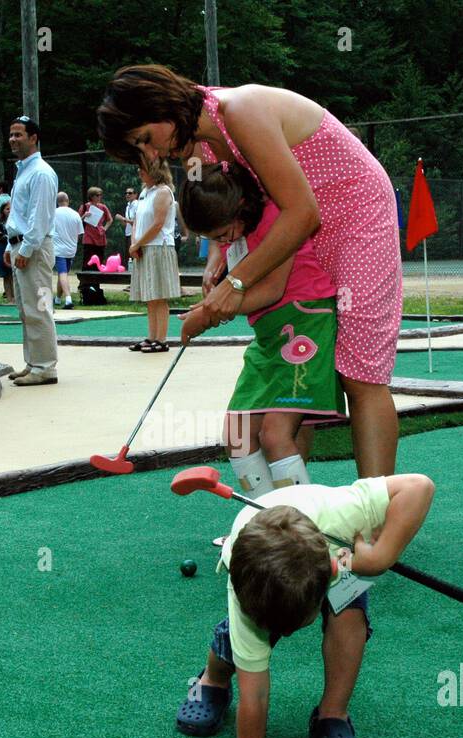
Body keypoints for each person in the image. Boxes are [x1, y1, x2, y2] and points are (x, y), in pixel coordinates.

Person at [98, 65, 402, 478]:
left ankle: (375, 515)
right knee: (292, 386)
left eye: (146, 140)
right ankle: (293, 517)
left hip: (354, 214)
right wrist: (218, 258)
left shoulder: (241, 111)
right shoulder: (195, 149)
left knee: (359, 373)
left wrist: (236, 283)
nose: (152, 155)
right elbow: (229, 209)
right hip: (299, 224)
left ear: (164, 107)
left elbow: (303, 213)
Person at [175, 472, 435, 738]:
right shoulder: (245, 579)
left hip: (340, 551)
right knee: (242, 639)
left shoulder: (347, 515)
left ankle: (333, 715)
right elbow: (254, 694)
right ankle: (212, 681)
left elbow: (419, 486)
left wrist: (380, 557)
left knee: (349, 615)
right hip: (262, 562)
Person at [181, 160, 345, 493]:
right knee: (236, 433)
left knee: (275, 433)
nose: (222, 240)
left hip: (304, 323)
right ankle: (265, 522)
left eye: (221, 233)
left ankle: (299, 527)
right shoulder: (233, 220)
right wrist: (216, 263)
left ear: (240, 206)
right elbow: (230, 251)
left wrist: (210, 312)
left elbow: (273, 289)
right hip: (270, 334)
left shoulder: (277, 216)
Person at [5, 115, 60, 387]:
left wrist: (25, 249)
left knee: (39, 307)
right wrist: (10, 246)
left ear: (34, 138)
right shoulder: (23, 171)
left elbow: (40, 216)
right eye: (11, 134)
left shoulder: (41, 172)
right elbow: (20, 213)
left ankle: (46, 366)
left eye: (19, 134)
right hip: (20, 246)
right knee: (26, 309)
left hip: (34, 249)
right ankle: (33, 362)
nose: (13, 139)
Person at [127, 160, 180, 353]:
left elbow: (158, 224)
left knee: (159, 295)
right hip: (144, 247)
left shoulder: (163, 192)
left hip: (159, 247)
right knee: (150, 295)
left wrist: (138, 243)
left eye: (144, 169)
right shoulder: (144, 193)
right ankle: (151, 337)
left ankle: (162, 339)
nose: (140, 172)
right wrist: (134, 244)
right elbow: (137, 222)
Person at [78, 186, 114, 298]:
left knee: (98, 264)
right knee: (87, 263)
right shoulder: (85, 207)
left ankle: (96, 286)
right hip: (88, 238)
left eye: (100, 195)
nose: (99, 197)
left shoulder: (103, 207)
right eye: (97, 195)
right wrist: (84, 215)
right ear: (91, 196)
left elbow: (110, 219)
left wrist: (105, 228)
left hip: (100, 237)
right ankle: (85, 287)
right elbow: (77, 220)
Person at [52, 191, 84, 308]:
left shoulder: (53, 213)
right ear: (68, 200)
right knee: (63, 274)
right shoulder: (75, 214)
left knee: (62, 273)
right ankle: (58, 299)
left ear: (57, 202)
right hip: (71, 250)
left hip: (58, 250)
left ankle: (68, 299)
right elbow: (80, 234)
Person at [116, 185, 139, 270]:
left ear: (135, 195)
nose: (127, 195)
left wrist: (122, 218)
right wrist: (122, 220)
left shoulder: (137, 205)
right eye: (126, 193)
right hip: (128, 233)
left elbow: (137, 223)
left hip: (136, 234)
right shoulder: (128, 206)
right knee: (129, 258)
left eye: (130, 193)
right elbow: (126, 224)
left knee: (135, 257)